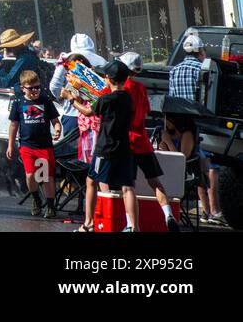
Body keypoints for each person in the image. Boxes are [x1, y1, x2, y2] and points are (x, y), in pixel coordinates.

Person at [117, 51, 180, 231]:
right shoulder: (141, 87)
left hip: (127, 142)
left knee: (127, 187)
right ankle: (168, 213)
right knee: (155, 182)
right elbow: (145, 113)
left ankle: (130, 225)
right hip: (143, 140)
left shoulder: (121, 88)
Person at [74, 59, 138, 232]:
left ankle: (88, 223)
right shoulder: (127, 98)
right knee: (127, 187)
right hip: (124, 147)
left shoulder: (106, 99)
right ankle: (133, 226)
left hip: (105, 147)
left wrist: (71, 100)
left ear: (109, 78)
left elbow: (88, 111)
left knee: (91, 181)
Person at [6, 69, 62, 218]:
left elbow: (55, 121)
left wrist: (57, 129)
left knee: (46, 176)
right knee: (31, 175)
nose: (36, 91)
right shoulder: (19, 102)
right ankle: (36, 198)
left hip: (44, 146)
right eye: (32, 88)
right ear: (23, 87)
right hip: (27, 145)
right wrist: (10, 144)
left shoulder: (45, 100)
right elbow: (13, 125)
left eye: (38, 87)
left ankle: (50, 206)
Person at [52, 33, 105, 140]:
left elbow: (54, 86)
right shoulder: (102, 61)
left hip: (72, 116)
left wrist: (65, 99)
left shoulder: (67, 60)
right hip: (98, 118)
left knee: (74, 153)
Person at [168, 32, 207, 103]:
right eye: (204, 50)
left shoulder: (174, 70)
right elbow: (205, 98)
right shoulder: (202, 69)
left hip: (181, 112)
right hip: (199, 112)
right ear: (201, 51)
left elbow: (172, 97)